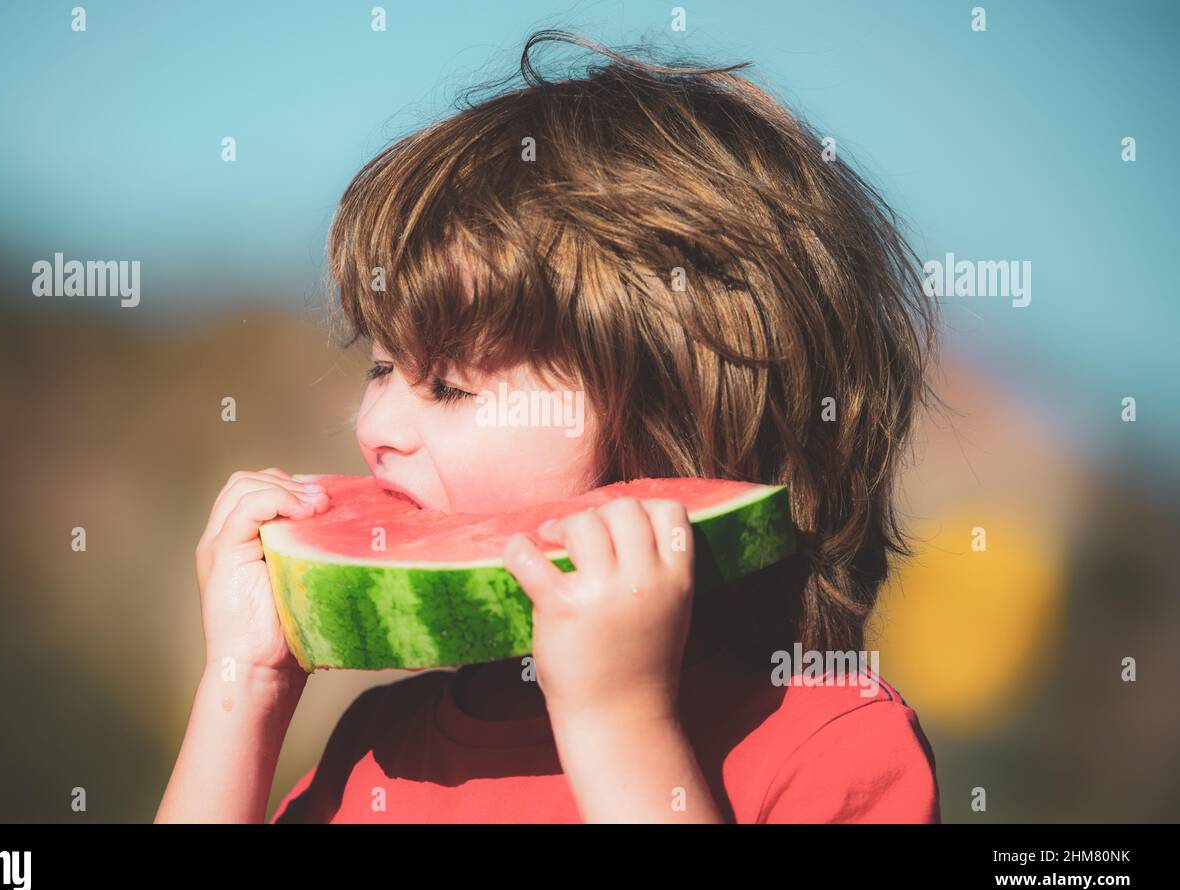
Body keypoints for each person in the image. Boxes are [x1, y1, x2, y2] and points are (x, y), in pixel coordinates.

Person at [156, 30, 943, 824]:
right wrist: (244, 682)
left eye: (450, 387)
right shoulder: (379, 746)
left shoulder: (831, 747)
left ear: (669, 428)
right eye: (382, 368)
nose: (373, 428)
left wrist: (619, 725)